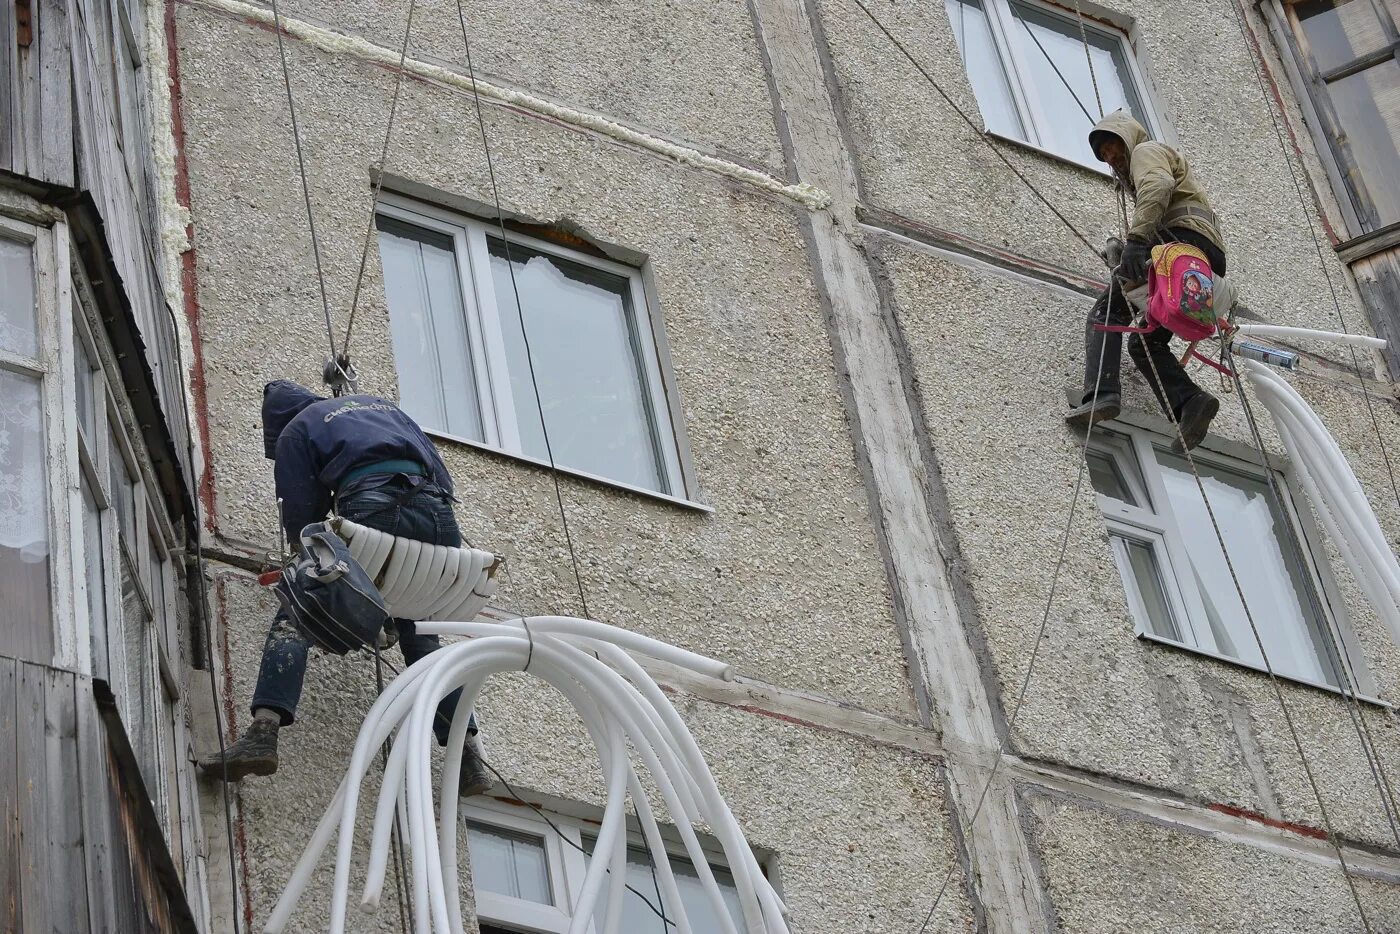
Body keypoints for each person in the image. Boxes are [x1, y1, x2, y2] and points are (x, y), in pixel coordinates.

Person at [199, 380, 492, 795]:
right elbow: (441, 473)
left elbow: (302, 513)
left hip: (374, 508)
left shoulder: (297, 428)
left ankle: (263, 731)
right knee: (417, 631)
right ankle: (469, 755)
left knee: (302, 601)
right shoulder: (384, 408)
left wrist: (308, 557)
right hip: (440, 520)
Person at [1066, 110, 1229, 452]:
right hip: (1200, 257)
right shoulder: (1148, 158)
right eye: (1105, 156)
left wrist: (1138, 242)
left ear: (1128, 139)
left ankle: (1102, 394)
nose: (1112, 158)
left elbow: (1158, 185)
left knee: (1106, 315)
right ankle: (1190, 402)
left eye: (1113, 148)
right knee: (1146, 344)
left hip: (1178, 244)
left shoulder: (1146, 151)